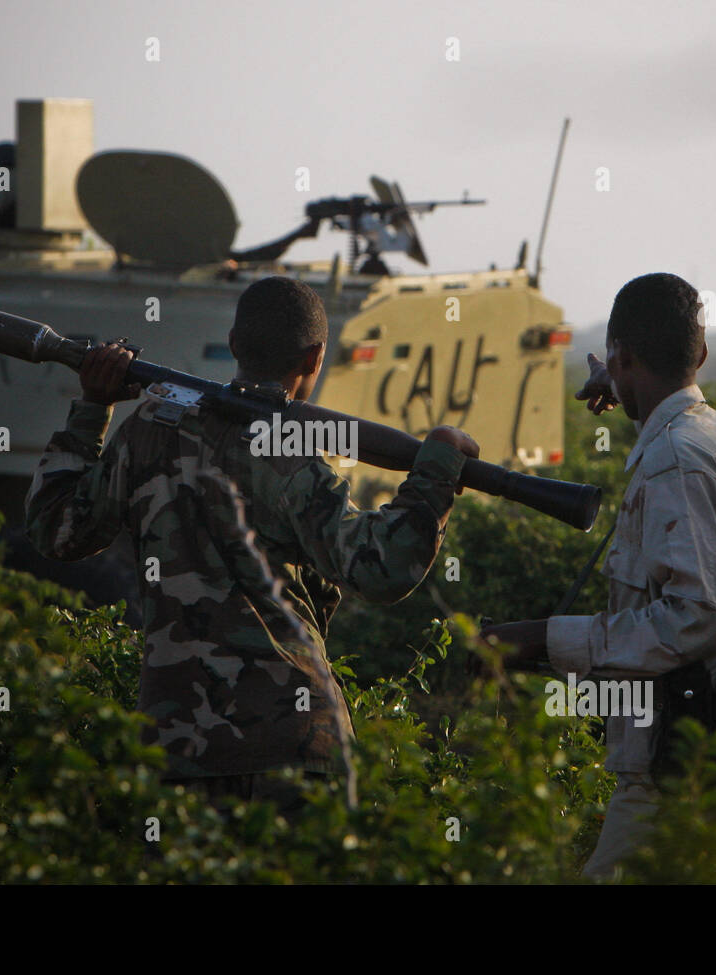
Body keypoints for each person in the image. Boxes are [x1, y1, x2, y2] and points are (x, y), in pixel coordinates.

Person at [25, 275, 479, 813]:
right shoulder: (291, 454)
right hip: (295, 746)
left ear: (236, 345)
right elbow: (382, 569)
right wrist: (437, 468)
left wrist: (92, 407)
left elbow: (57, 530)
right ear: (313, 359)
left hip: (178, 749)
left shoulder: (150, 427)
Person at [482, 272, 716, 878]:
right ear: (701, 353)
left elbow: (696, 618)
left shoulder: (674, 457)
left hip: (672, 771)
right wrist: (624, 381)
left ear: (620, 355)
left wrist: (542, 637)